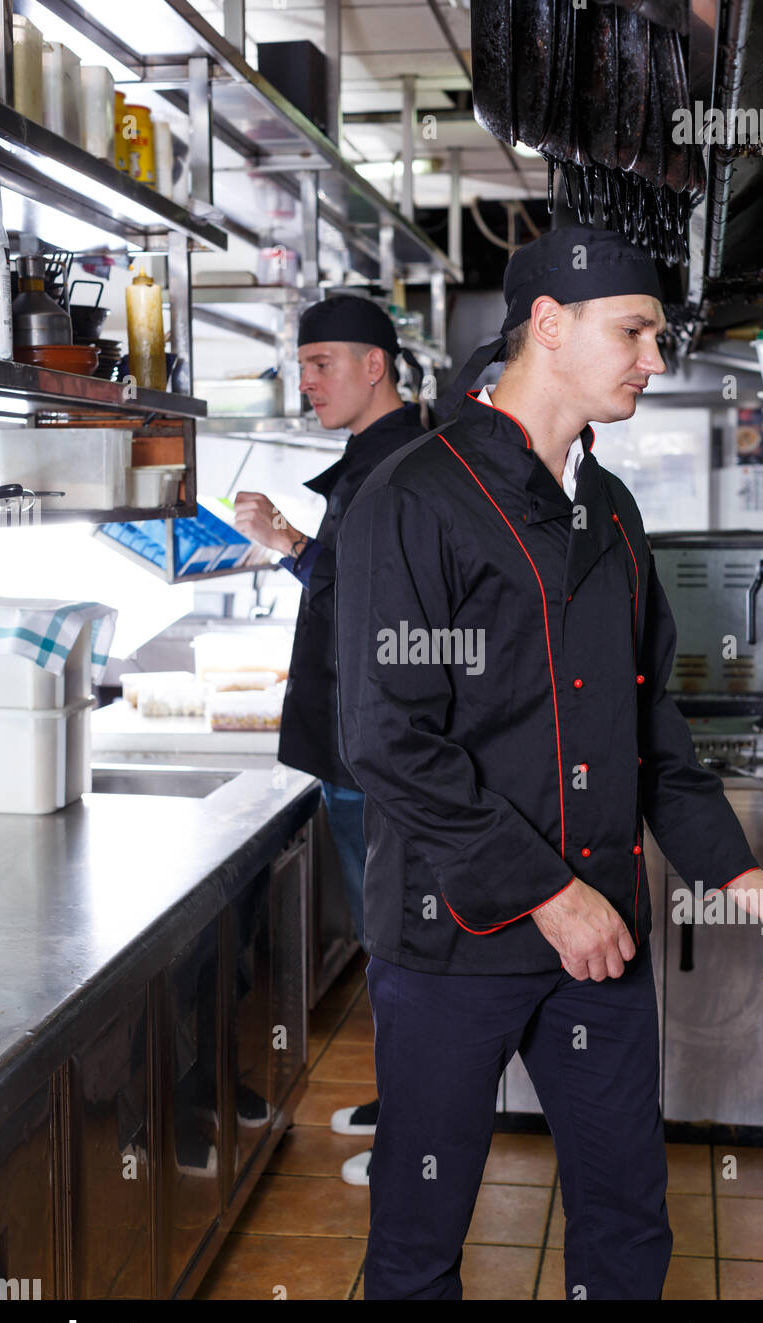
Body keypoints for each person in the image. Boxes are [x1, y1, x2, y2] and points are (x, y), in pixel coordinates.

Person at [334, 224, 763, 1299]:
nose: (654, 358)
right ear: (548, 327)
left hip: (596, 946)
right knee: (418, 1243)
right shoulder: (412, 499)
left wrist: (736, 877)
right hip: (450, 948)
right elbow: (385, 738)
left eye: (655, 333)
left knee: (624, 1226)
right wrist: (546, 894)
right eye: (635, 330)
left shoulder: (608, 510)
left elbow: (652, 739)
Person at [233, 295, 427, 1186]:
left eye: (320, 364)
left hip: (378, 751)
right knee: (388, 939)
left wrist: (289, 546)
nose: (304, 381)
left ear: (374, 365)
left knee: (400, 946)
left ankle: (415, 1138)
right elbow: (354, 584)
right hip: (360, 748)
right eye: (300, 364)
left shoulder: (406, 465)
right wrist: (284, 542)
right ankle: (402, 1102)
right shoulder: (374, 462)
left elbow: (384, 610)